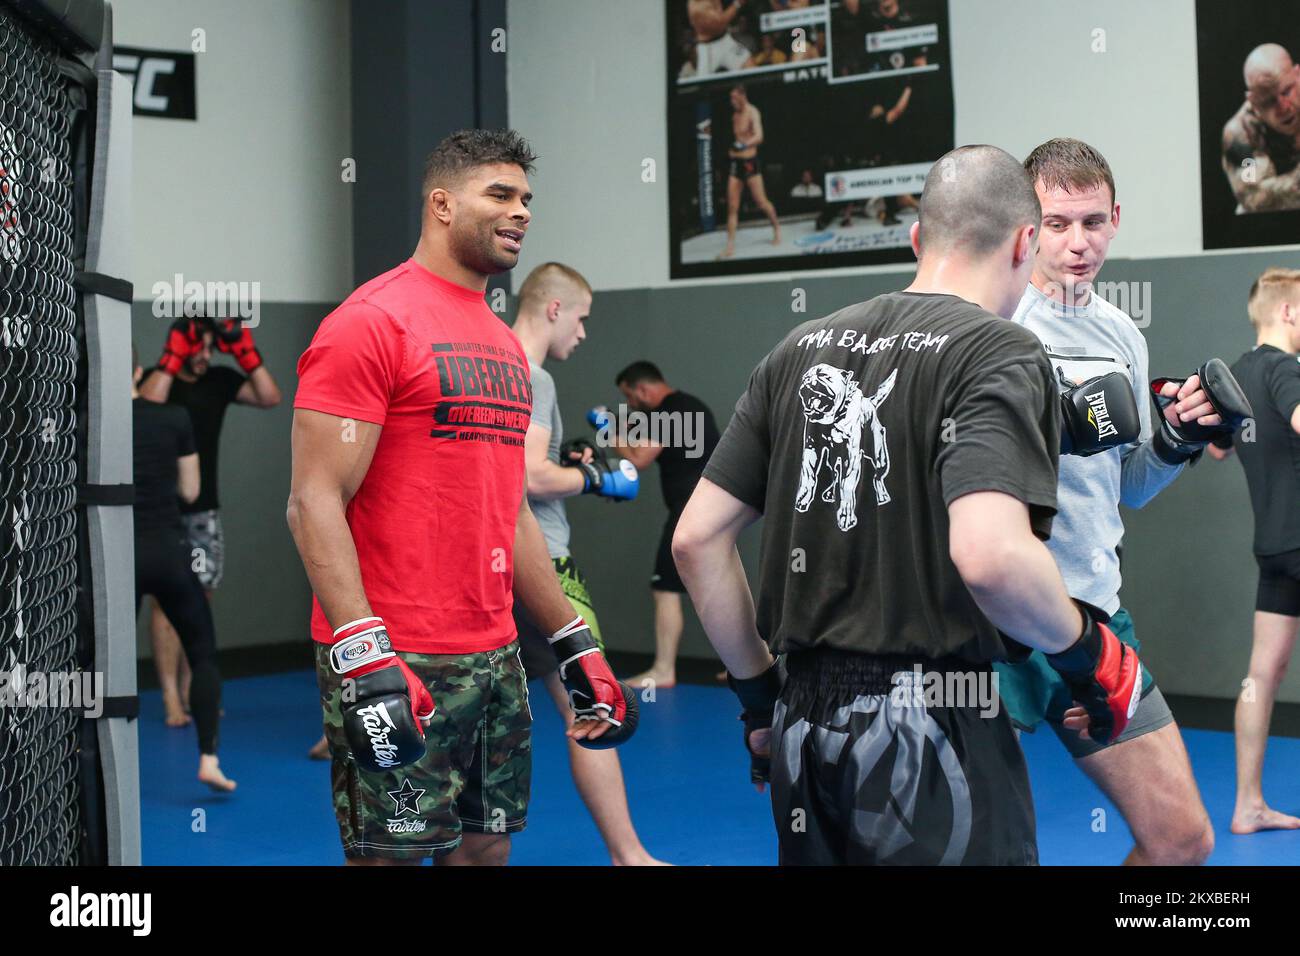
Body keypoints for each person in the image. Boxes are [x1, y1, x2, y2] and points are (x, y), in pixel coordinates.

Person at [673, 145, 1143, 864]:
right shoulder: (1000, 351)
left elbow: (697, 540)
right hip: (932, 725)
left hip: (803, 726)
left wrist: (761, 701)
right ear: (1025, 243)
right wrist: (1090, 654)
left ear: (917, 239)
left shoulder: (799, 347)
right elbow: (991, 558)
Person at [287, 129, 633, 866]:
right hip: (395, 644)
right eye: (500, 196)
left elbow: (510, 511)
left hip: (494, 647)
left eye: (527, 199)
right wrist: (362, 653)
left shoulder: (506, 349)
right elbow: (313, 501)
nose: (521, 213)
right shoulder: (371, 322)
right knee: (391, 855)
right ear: (442, 205)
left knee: (484, 850)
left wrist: (572, 640)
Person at [994, 138, 1254, 865]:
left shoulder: (1119, 334)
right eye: (1056, 224)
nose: (1078, 244)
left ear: (1116, 218)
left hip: (1094, 614)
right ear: (1026, 225)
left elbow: (1129, 486)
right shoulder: (995, 323)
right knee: (987, 846)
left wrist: (1176, 438)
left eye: (1093, 222)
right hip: (988, 626)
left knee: (1181, 841)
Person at [509, 261, 666, 865]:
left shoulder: (487, 361)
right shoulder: (535, 377)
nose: (583, 332)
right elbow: (529, 477)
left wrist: (571, 460)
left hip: (486, 564)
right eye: (581, 318)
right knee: (592, 706)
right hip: (543, 565)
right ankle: (631, 857)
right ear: (554, 309)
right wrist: (595, 476)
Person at [139, 315, 281, 727]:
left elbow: (270, 396)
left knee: (199, 598)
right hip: (161, 511)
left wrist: (246, 353)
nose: (203, 355)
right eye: (195, 347)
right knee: (165, 605)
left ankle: (191, 690)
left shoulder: (219, 379)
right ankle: (169, 697)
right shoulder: (156, 378)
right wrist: (172, 358)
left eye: (208, 348)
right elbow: (148, 402)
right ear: (180, 346)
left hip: (204, 511)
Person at [1208, 267, 1300, 833]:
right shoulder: (1288, 369)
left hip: (1273, 546)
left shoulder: (1238, 374)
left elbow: (1218, 448)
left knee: (1260, 674)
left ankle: (1247, 805)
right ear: (1289, 313)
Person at [131, 337, 235, 792]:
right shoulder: (173, 417)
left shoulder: (89, 422)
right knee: (203, 652)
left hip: (116, 556)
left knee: (91, 659)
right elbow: (192, 493)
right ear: (138, 372)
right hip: (168, 547)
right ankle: (209, 758)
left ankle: (81, 751)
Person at [593, 362, 720, 689]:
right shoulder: (688, 406)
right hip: (716, 508)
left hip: (692, 509)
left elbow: (638, 459)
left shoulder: (671, 410)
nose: (631, 404)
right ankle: (749, 665)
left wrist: (607, 427)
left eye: (629, 396)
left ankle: (663, 670)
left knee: (665, 587)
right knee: (718, 586)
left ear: (643, 389)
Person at [1220, 44, 1300, 214]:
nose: (1283, 108)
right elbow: (1253, 197)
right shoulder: (1241, 133)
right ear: (1253, 100)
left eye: (1287, 91)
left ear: (1298, 74)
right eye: (1269, 101)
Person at [719, 84, 782, 259]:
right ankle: (729, 246)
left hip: (750, 163)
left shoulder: (753, 112)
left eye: (734, 98)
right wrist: (733, 150)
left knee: (761, 202)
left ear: (742, 96)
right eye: (730, 99)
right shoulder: (734, 116)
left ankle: (776, 228)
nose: (732, 102)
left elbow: (759, 136)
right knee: (732, 207)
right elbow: (737, 139)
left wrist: (745, 145)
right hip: (736, 164)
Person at [686, 0, 753, 75]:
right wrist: (737, 3)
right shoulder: (697, 5)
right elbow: (719, 23)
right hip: (709, 48)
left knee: (750, 67)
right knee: (705, 83)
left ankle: (740, 86)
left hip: (725, 40)